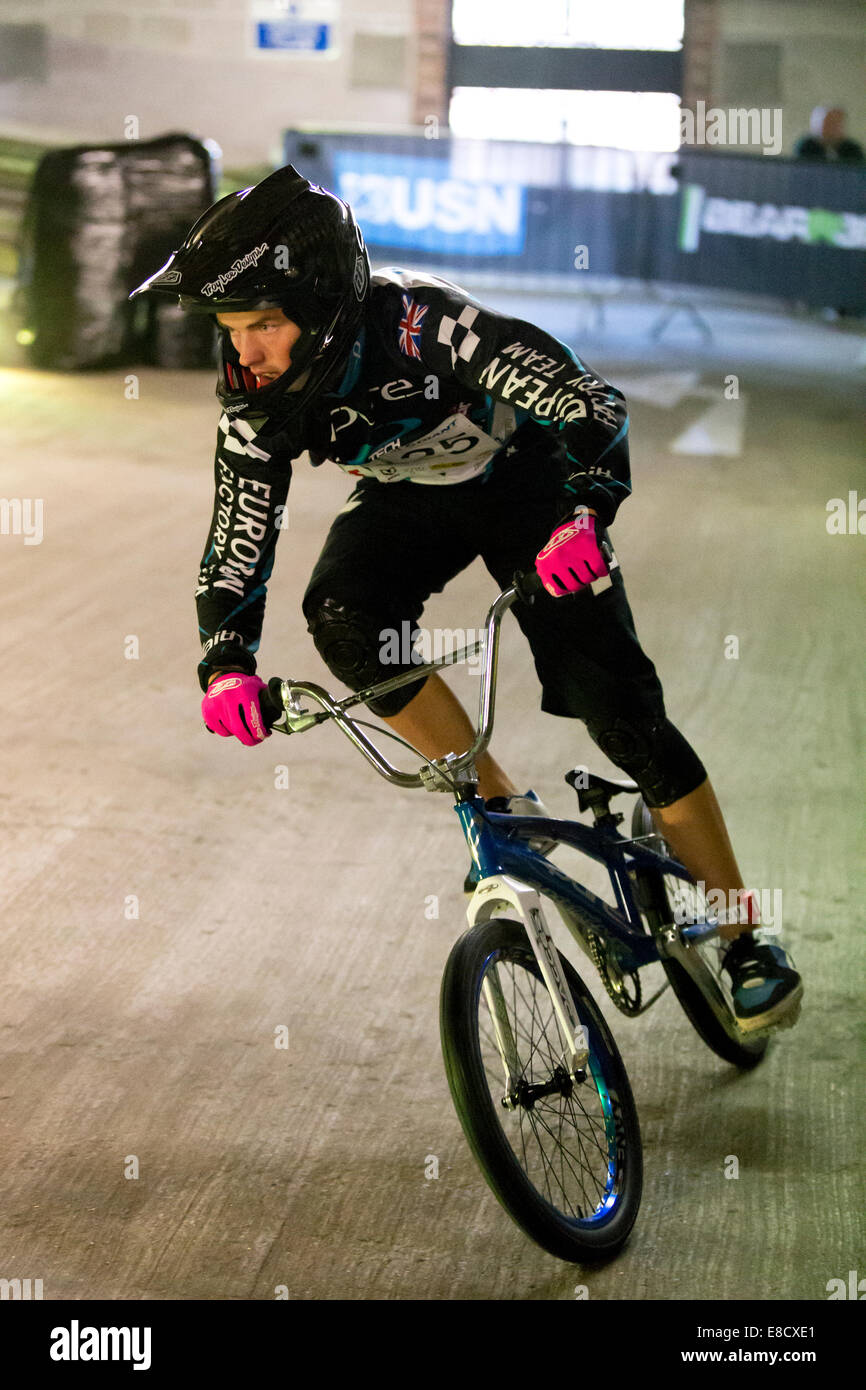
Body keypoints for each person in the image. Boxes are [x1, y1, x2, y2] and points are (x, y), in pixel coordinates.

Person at [130, 165, 802, 1036]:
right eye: (232, 328)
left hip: (531, 484)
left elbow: (587, 401)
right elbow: (239, 532)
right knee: (340, 610)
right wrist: (225, 663)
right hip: (417, 496)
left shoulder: (422, 322)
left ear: (327, 308)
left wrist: (586, 513)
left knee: (622, 716)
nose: (244, 352)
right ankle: (502, 809)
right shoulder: (252, 401)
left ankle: (746, 935)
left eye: (264, 324)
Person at [793, 106, 864, 162]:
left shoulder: (853, 149)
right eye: (827, 124)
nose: (831, 128)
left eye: (836, 124)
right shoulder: (806, 147)